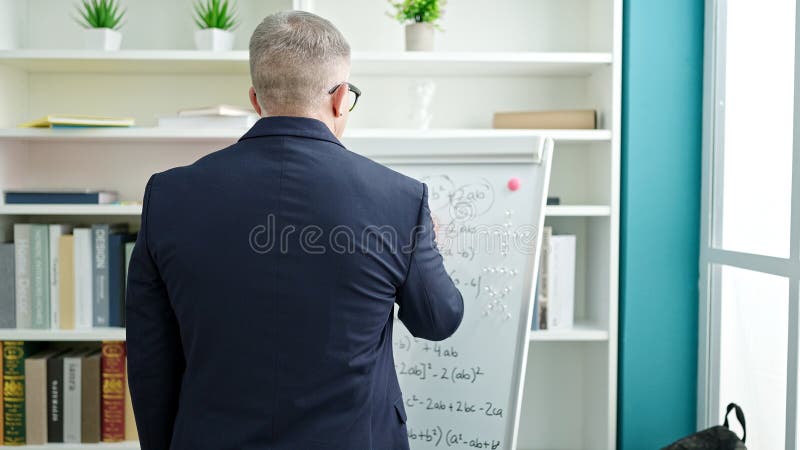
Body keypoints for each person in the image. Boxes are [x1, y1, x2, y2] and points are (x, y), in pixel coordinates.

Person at [125, 10, 464, 450]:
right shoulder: (400, 200)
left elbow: (150, 357)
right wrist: (427, 242)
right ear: (340, 98)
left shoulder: (168, 196)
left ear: (255, 99)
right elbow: (437, 320)